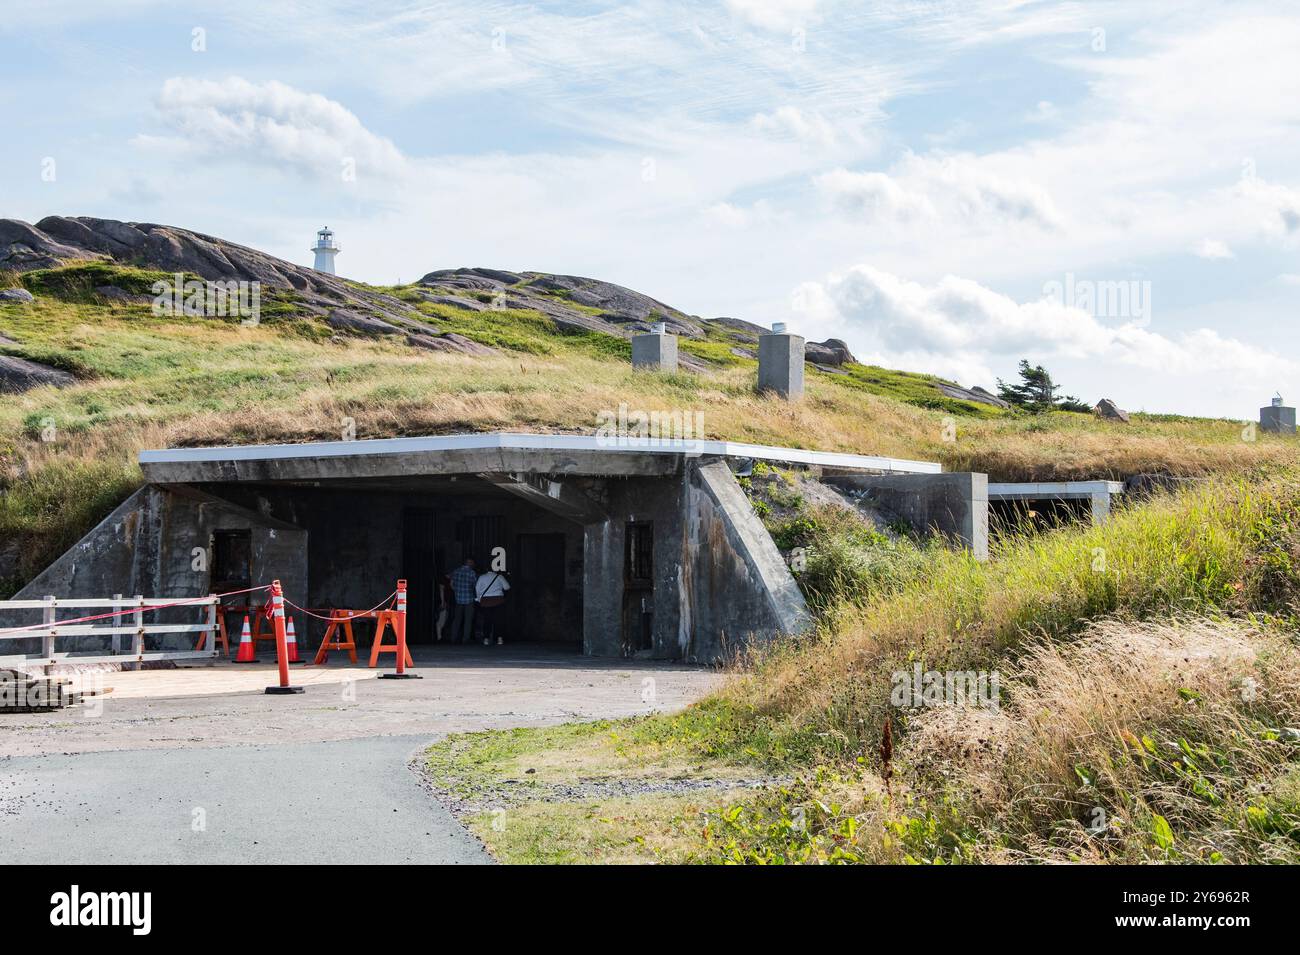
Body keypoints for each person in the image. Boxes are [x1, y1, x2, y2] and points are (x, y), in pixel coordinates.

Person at [474, 567, 511, 646]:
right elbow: (507, 587)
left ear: (487, 570)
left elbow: (477, 589)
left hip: (486, 601)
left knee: (487, 620)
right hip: (498, 600)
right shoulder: (499, 576)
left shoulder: (482, 577)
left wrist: (480, 599)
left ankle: (486, 639)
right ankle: (499, 638)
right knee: (498, 620)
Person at [448, 557, 478, 645]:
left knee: (457, 619)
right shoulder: (472, 573)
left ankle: (453, 638)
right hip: (469, 599)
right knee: (468, 620)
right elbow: (475, 585)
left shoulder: (456, 571)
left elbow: (451, 584)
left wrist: (456, 591)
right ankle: (465, 639)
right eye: (472, 563)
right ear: (470, 563)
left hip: (458, 599)